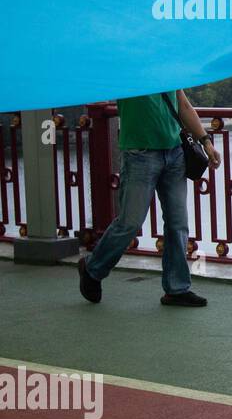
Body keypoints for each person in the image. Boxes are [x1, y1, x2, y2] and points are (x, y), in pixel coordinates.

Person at [77, 89, 219, 306]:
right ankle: (93, 268)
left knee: (177, 224)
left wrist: (206, 142)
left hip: (175, 154)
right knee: (130, 223)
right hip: (139, 155)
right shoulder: (127, 70)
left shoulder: (167, 68)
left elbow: (183, 105)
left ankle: (177, 288)